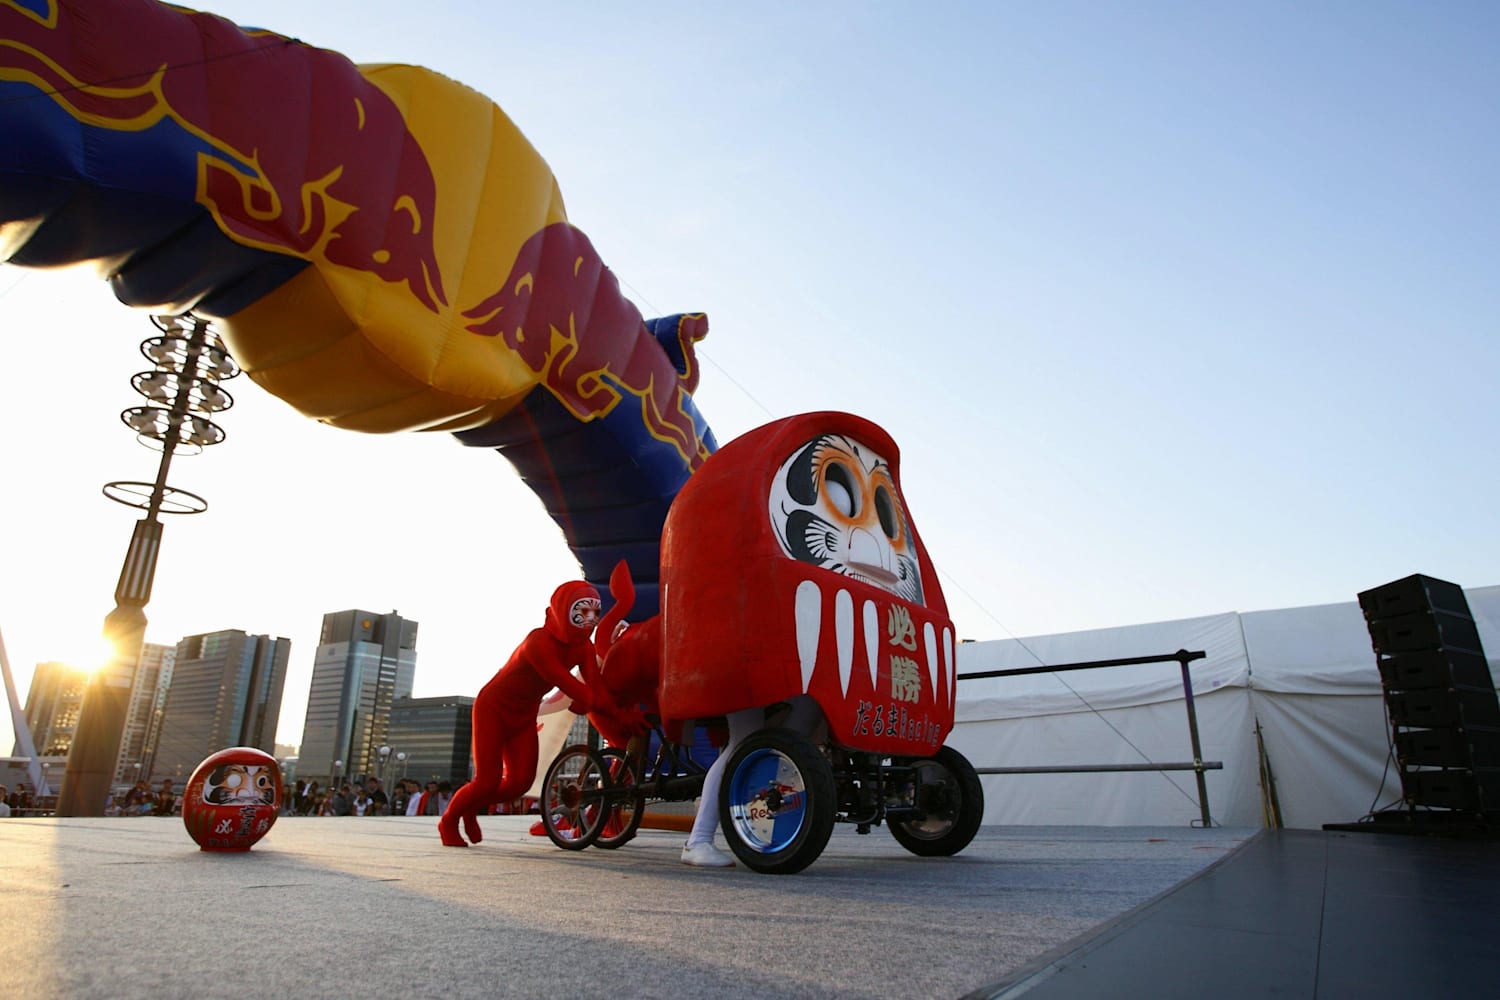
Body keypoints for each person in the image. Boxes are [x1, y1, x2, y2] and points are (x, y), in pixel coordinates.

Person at [438, 580, 601, 847]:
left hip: (524, 715)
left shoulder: (584, 648)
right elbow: (562, 679)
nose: (590, 620)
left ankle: (469, 806)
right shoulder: (539, 641)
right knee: (487, 780)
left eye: (596, 613)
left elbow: (597, 688)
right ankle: (449, 820)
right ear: (562, 610)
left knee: (520, 783)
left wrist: (617, 708)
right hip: (493, 708)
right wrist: (587, 698)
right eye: (583, 612)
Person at [681, 697, 822, 868]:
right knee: (744, 739)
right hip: (735, 678)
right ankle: (699, 839)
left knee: (810, 706)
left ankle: (773, 757)